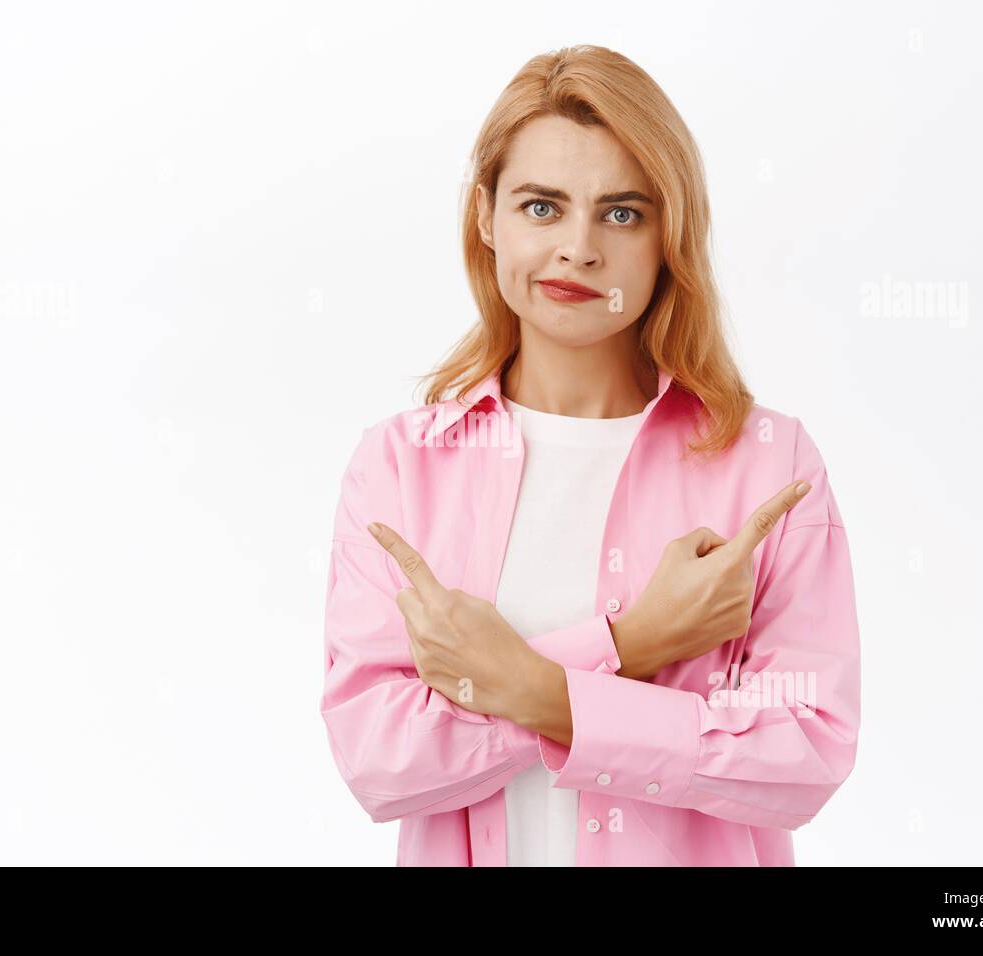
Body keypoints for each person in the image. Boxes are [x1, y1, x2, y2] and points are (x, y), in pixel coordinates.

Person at [320, 44, 860, 866]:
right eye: (542, 207)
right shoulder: (400, 468)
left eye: (621, 212)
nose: (578, 248)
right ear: (486, 217)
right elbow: (380, 763)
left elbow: (806, 757)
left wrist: (532, 690)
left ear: (669, 236)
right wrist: (633, 645)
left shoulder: (766, 461)